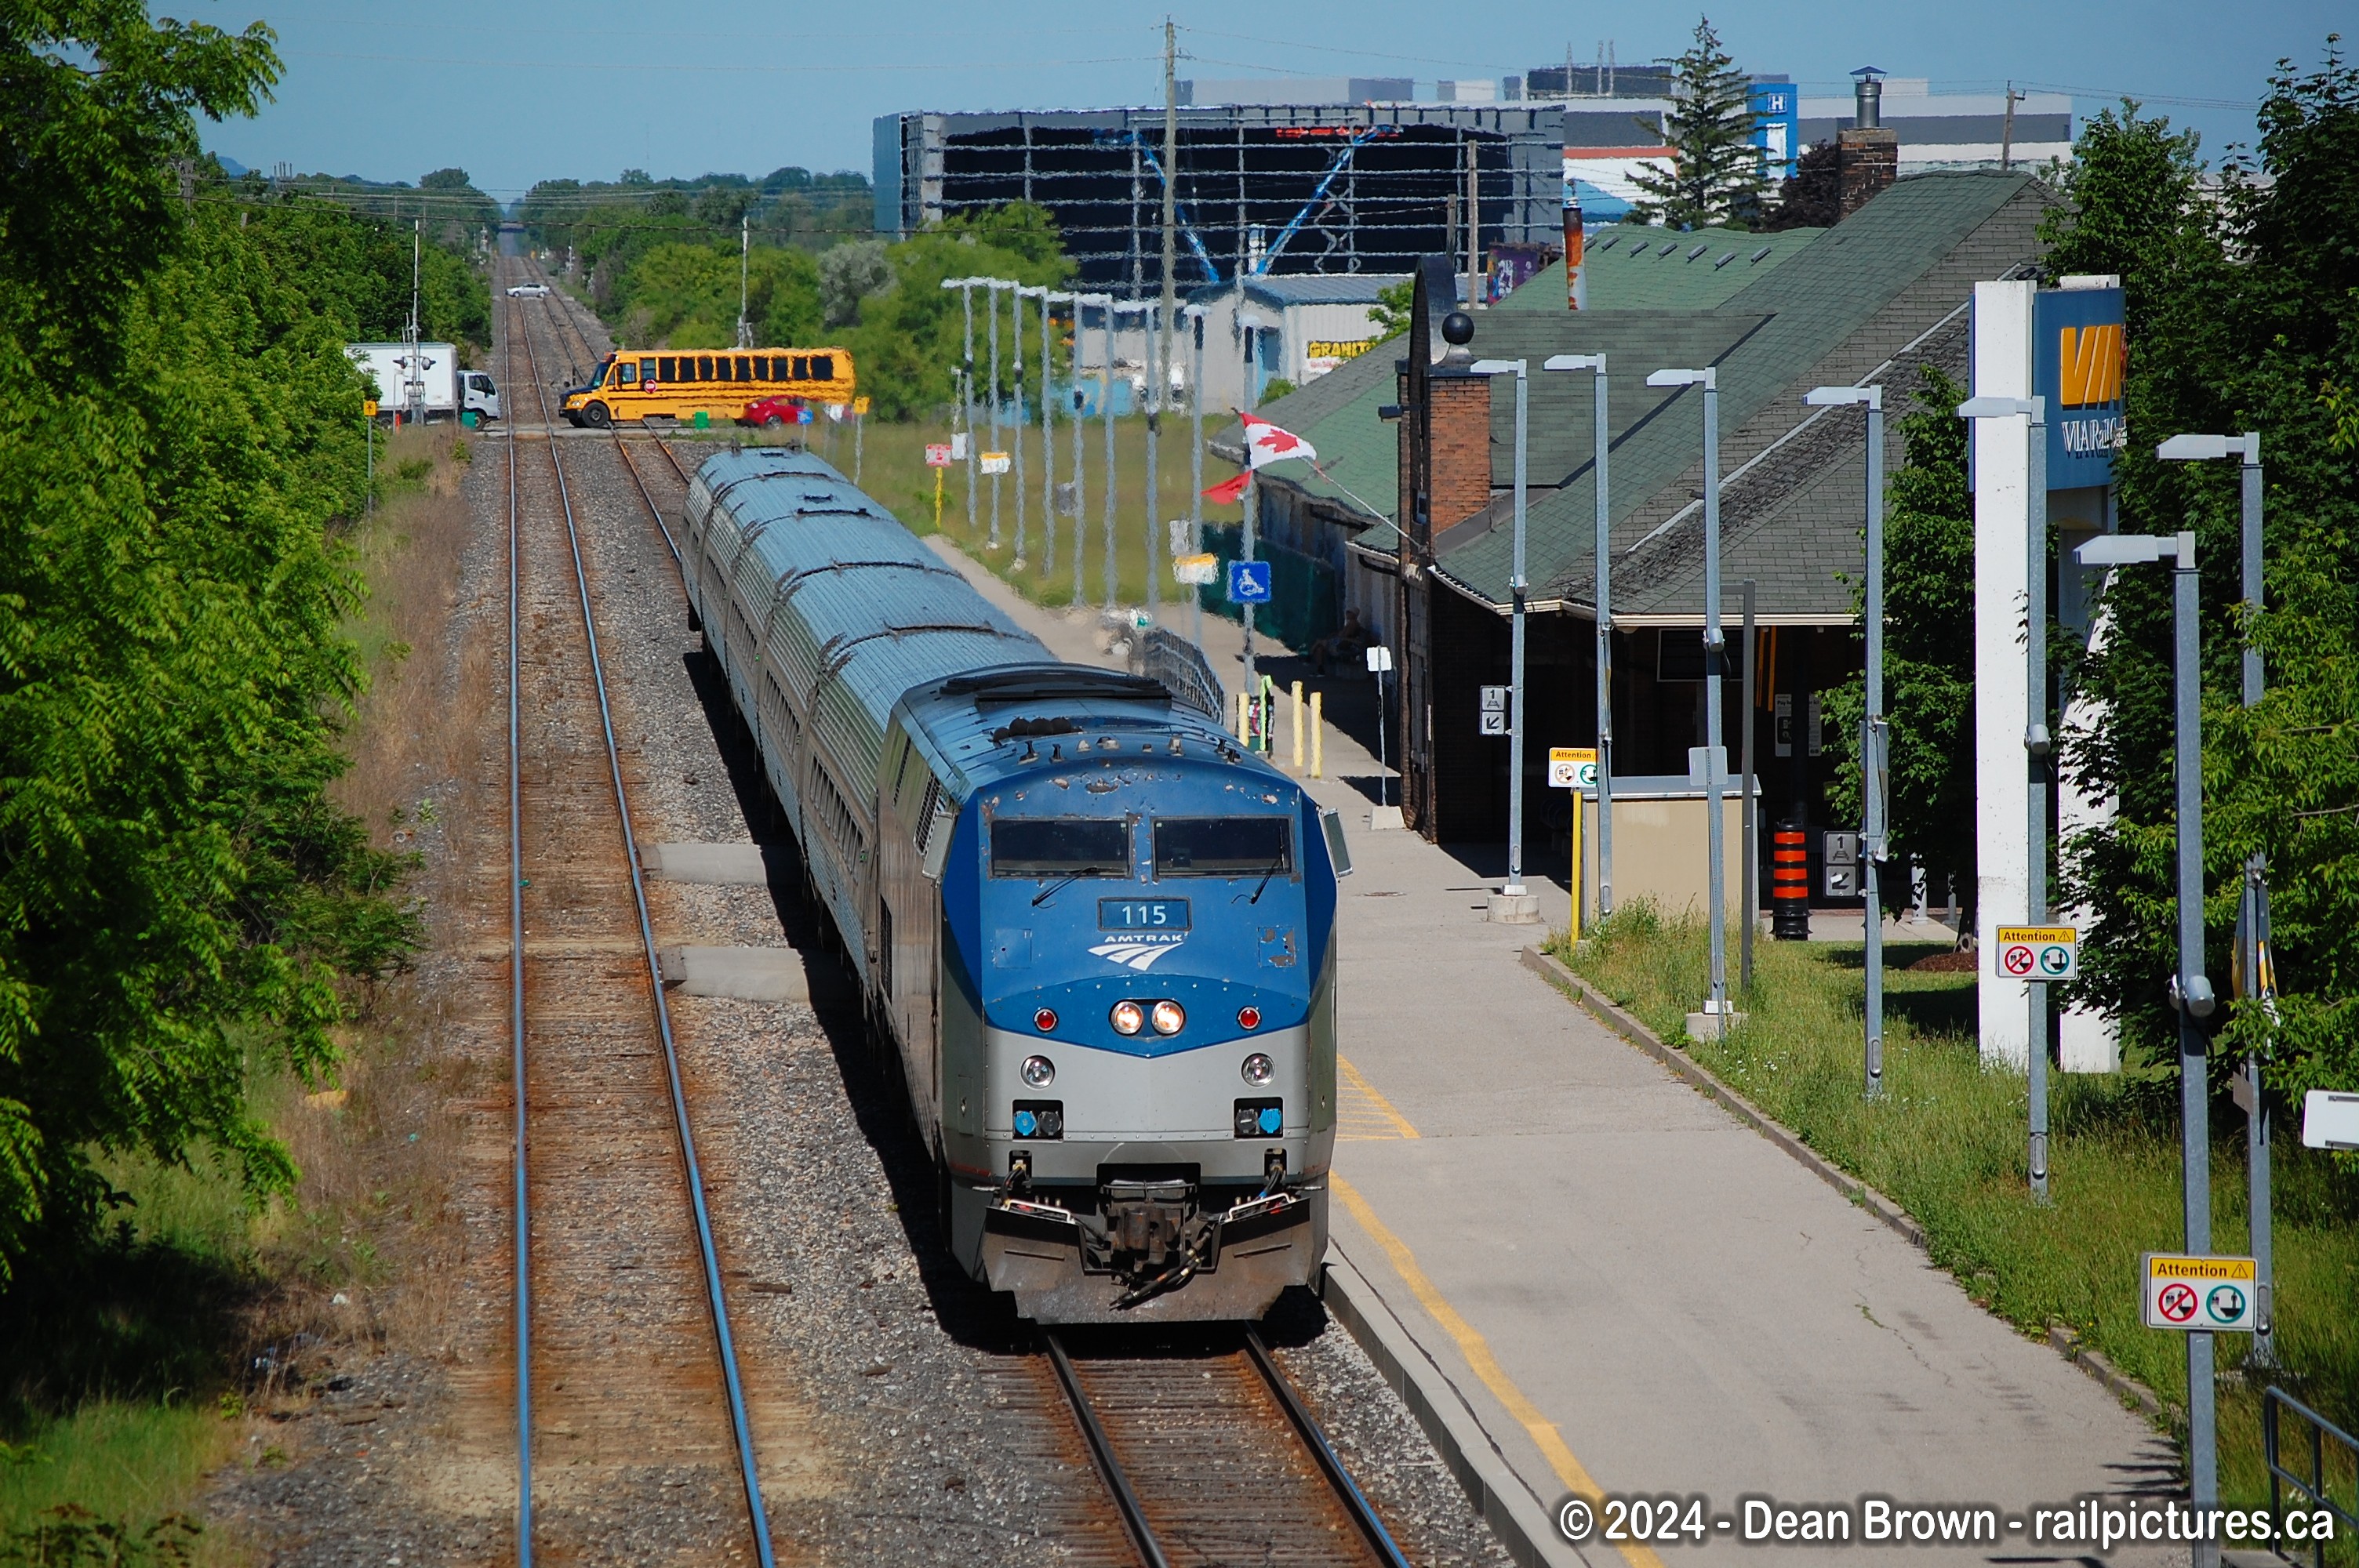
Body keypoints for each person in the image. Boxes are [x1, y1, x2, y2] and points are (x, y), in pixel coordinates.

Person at [1309, 608, 1372, 676]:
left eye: (1349, 612)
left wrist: (1338, 636)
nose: (1347, 614)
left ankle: (1310, 657)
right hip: (1339, 642)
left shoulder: (1353, 624)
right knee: (1319, 648)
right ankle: (1319, 668)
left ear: (1354, 614)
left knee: (1319, 642)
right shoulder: (1349, 624)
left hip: (1340, 644)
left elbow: (1345, 636)